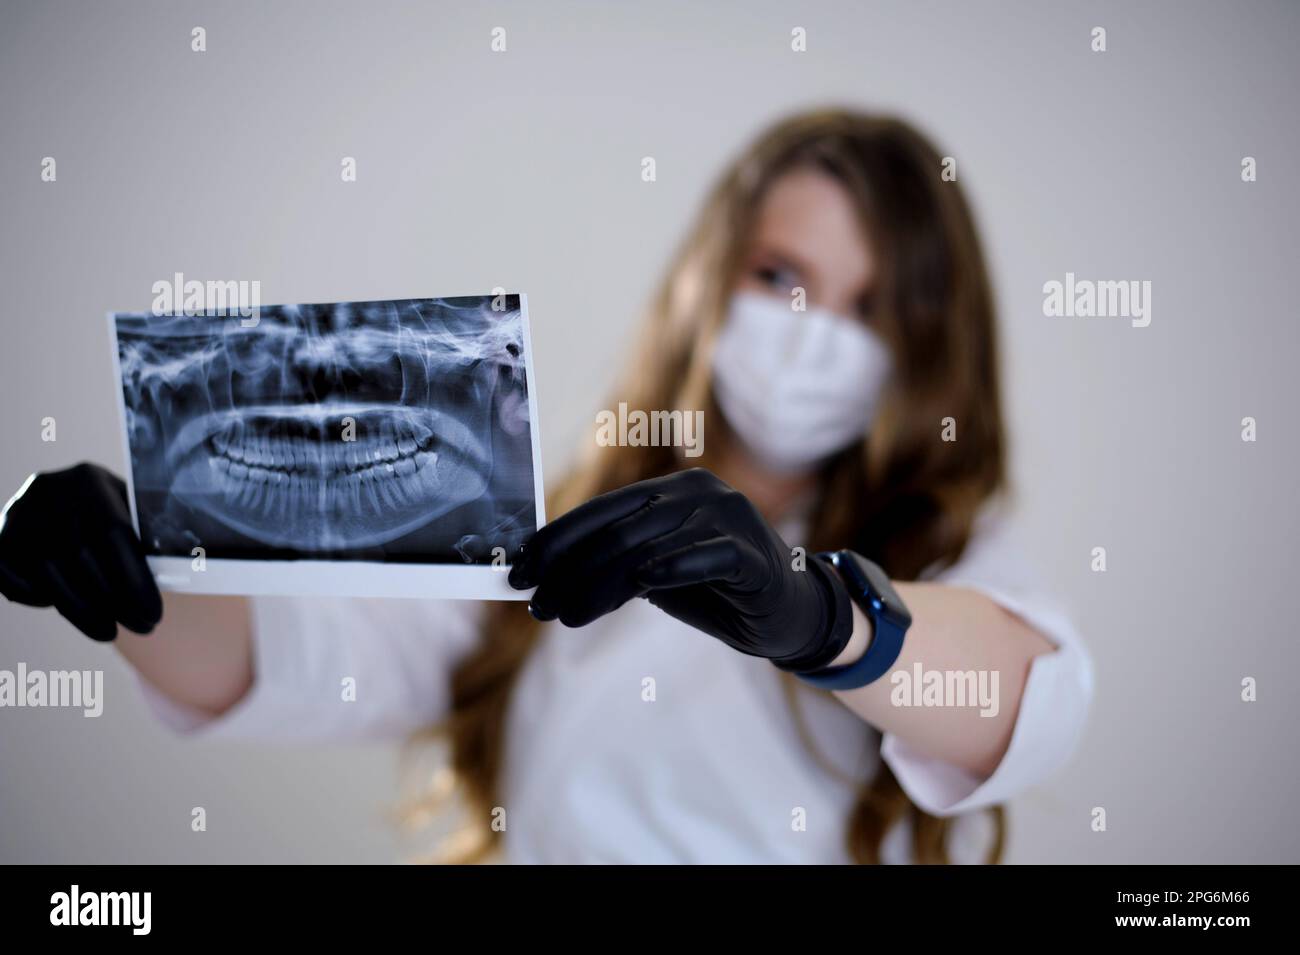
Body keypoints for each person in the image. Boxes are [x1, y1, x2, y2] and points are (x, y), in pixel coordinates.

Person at [0, 109, 1092, 864]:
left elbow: (1028, 695)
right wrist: (132, 564)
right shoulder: (551, 531)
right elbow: (286, 658)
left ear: (924, 344)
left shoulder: (945, 553)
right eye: (782, 278)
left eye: (870, 306)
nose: (814, 336)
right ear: (708, 283)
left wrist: (817, 613)